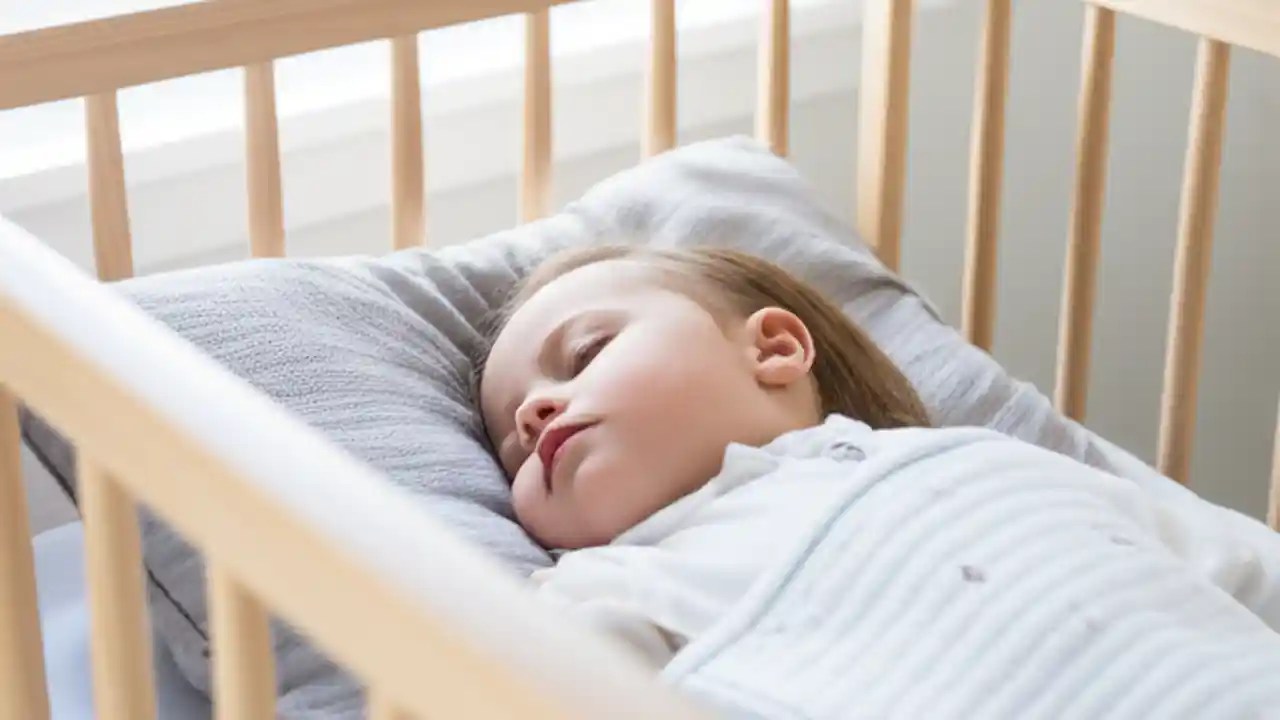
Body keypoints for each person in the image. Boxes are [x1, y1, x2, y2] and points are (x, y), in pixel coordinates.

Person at [475, 244, 1280, 683]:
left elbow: (1233, 571)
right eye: (511, 445)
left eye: (585, 353)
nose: (533, 413)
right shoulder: (613, 583)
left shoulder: (979, 459)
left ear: (777, 349)